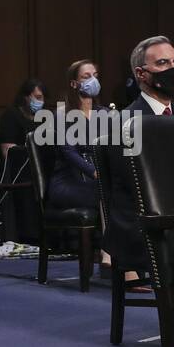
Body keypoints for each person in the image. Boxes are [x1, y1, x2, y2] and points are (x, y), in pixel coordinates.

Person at [103, 37, 174, 285]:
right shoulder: (124, 122)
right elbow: (135, 184)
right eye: (163, 63)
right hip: (144, 220)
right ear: (141, 74)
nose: (173, 69)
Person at [47, 60, 112, 270]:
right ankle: (108, 253)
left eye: (95, 74)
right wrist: (95, 172)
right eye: (86, 76)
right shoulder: (62, 115)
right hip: (68, 182)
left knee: (124, 190)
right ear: (74, 83)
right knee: (106, 191)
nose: (93, 80)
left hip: (96, 179)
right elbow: (68, 152)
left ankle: (132, 253)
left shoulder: (105, 114)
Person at [0, 78, 46, 156]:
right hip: (19, 164)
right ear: (25, 97)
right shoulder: (10, 116)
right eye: (38, 97)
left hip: (40, 163)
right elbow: (7, 152)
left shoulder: (43, 117)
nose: (41, 101)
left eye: (42, 98)